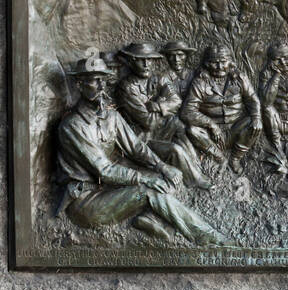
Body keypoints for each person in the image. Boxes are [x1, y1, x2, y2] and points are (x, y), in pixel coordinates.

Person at [55, 57, 228, 246]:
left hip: (111, 189)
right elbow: (104, 170)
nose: (101, 86)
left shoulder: (111, 116)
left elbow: (136, 147)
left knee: (164, 181)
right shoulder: (72, 126)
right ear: (80, 85)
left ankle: (152, 221)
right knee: (149, 190)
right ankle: (208, 237)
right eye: (95, 80)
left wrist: (162, 167)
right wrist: (145, 178)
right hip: (87, 202)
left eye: (103, 80)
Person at [114, 40, 207, 189]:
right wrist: (164, 103)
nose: (146, 64)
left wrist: (158, 104)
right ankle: (193, 180)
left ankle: (196, 167)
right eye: (141, 60)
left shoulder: (158, 78)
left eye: (149, 59)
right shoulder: (127, 88)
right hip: (142, 141)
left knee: (178, 125)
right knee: (174, 149)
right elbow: (148, 122)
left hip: (159, 130)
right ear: (132, 61)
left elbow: (176, 101)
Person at [179, 44, 262, 173]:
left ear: (230, 62)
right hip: (211, 136)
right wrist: (211, 125)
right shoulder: (200, 83)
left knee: (254, 122)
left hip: (236, 129)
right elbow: (187, 111)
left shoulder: (240, 78)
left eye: (223, 62)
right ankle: (219, 157)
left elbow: (252, 100)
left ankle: (235, 158)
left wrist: (257, 118)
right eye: (214, 63)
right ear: (207, 64)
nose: (219, 67)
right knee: (192, 130)